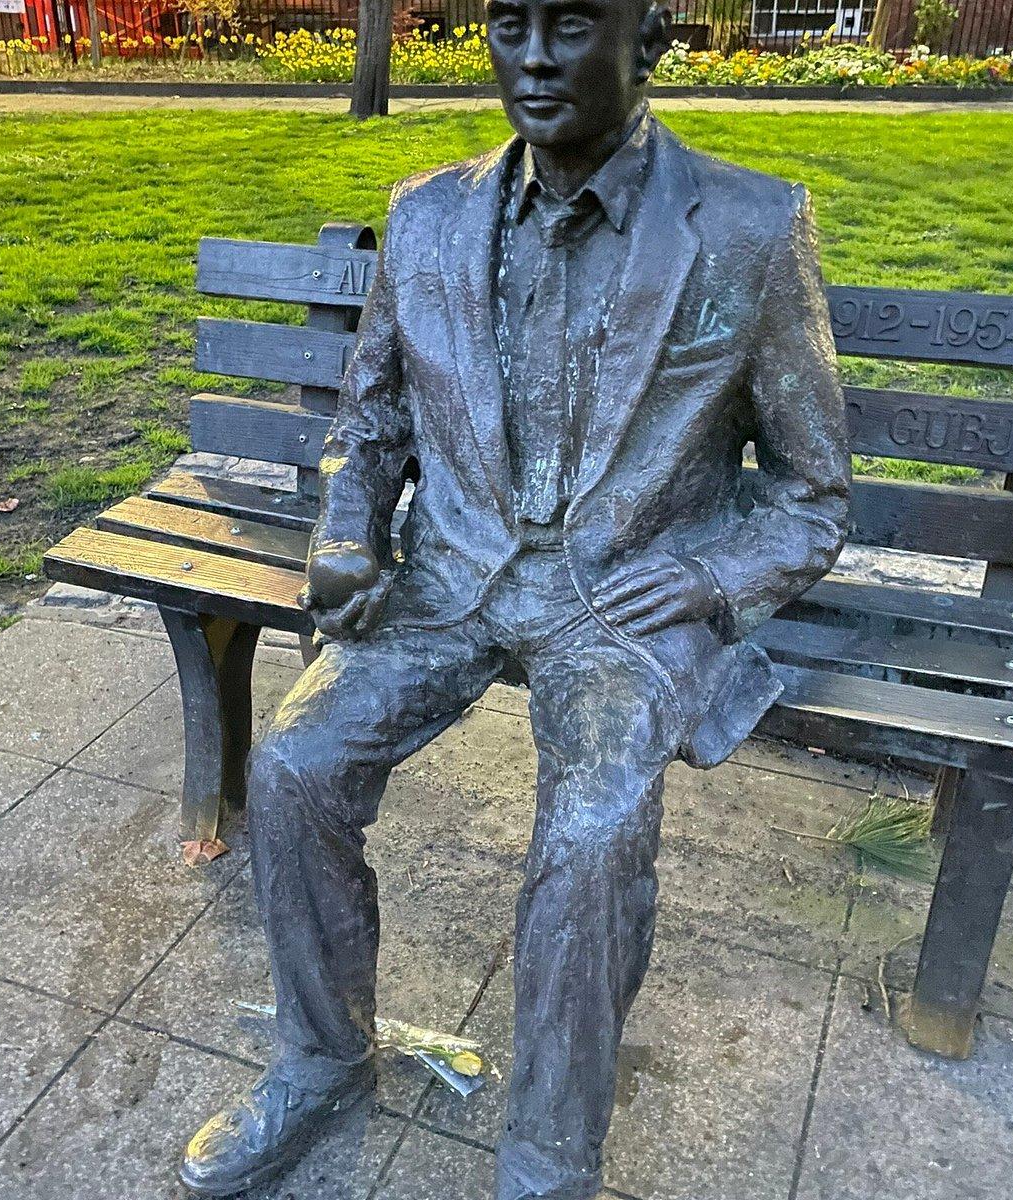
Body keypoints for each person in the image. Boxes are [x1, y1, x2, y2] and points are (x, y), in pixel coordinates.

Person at [180, 0, 850, 1195]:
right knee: (292, 766)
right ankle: (323, 1055)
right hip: (452, 570)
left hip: (623, 599)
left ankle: (548, 1157)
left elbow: (810, 498)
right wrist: (346, 534)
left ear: (647, 47)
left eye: (573, 25)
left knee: (591, 837)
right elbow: (373, 416)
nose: (534, 57)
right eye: (508, 24)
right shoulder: (429, 211)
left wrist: (699, 574)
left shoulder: (751, 226)